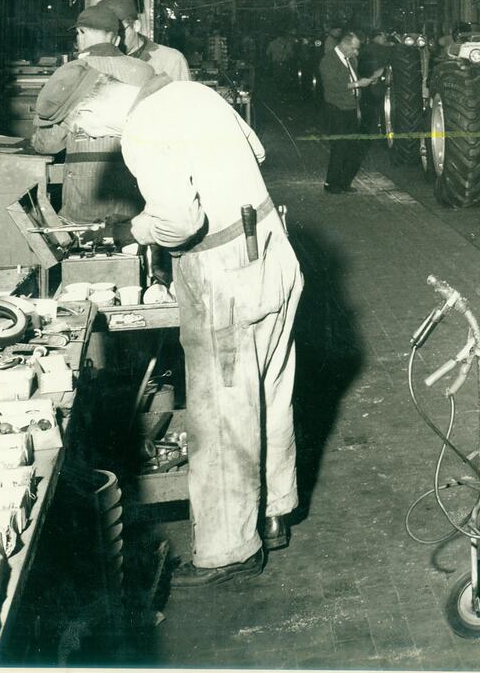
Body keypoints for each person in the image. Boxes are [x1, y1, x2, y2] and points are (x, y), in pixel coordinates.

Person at [59, 72, 302, 586]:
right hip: (272, 249)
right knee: (269, 389)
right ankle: (275, 512)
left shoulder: (140, 130)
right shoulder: (193, 92)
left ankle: (231, 549)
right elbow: (253, 156)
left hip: (225, 274)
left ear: (95, 118)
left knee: (221, 415)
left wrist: (132, 230)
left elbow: (178, 223)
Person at [30, 3, 156, 224]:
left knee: (85, 252)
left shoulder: (73, 72)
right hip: (134, 182)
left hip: (86, 187)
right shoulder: (145, 70)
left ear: (81, 34)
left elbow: (48, 144)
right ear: (116, 39)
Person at [319, 30, 379, 193]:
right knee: (339, 147)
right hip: (337, 109)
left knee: (352, 147)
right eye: (354, 48)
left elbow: (354, 79)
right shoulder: (328, 60)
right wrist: (359, 84)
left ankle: (344, 182)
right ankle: (331, 184)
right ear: (345, 45)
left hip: (351, 108)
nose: (356, 52)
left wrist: (367, 81)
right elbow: (333, 86)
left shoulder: (351, 60)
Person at [98, 0, 192, 82]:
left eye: (119, 32)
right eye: (105, 34)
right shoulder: (96, 61)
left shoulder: (170, 61)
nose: (113, 40)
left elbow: (182, 99)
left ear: (136, 26)